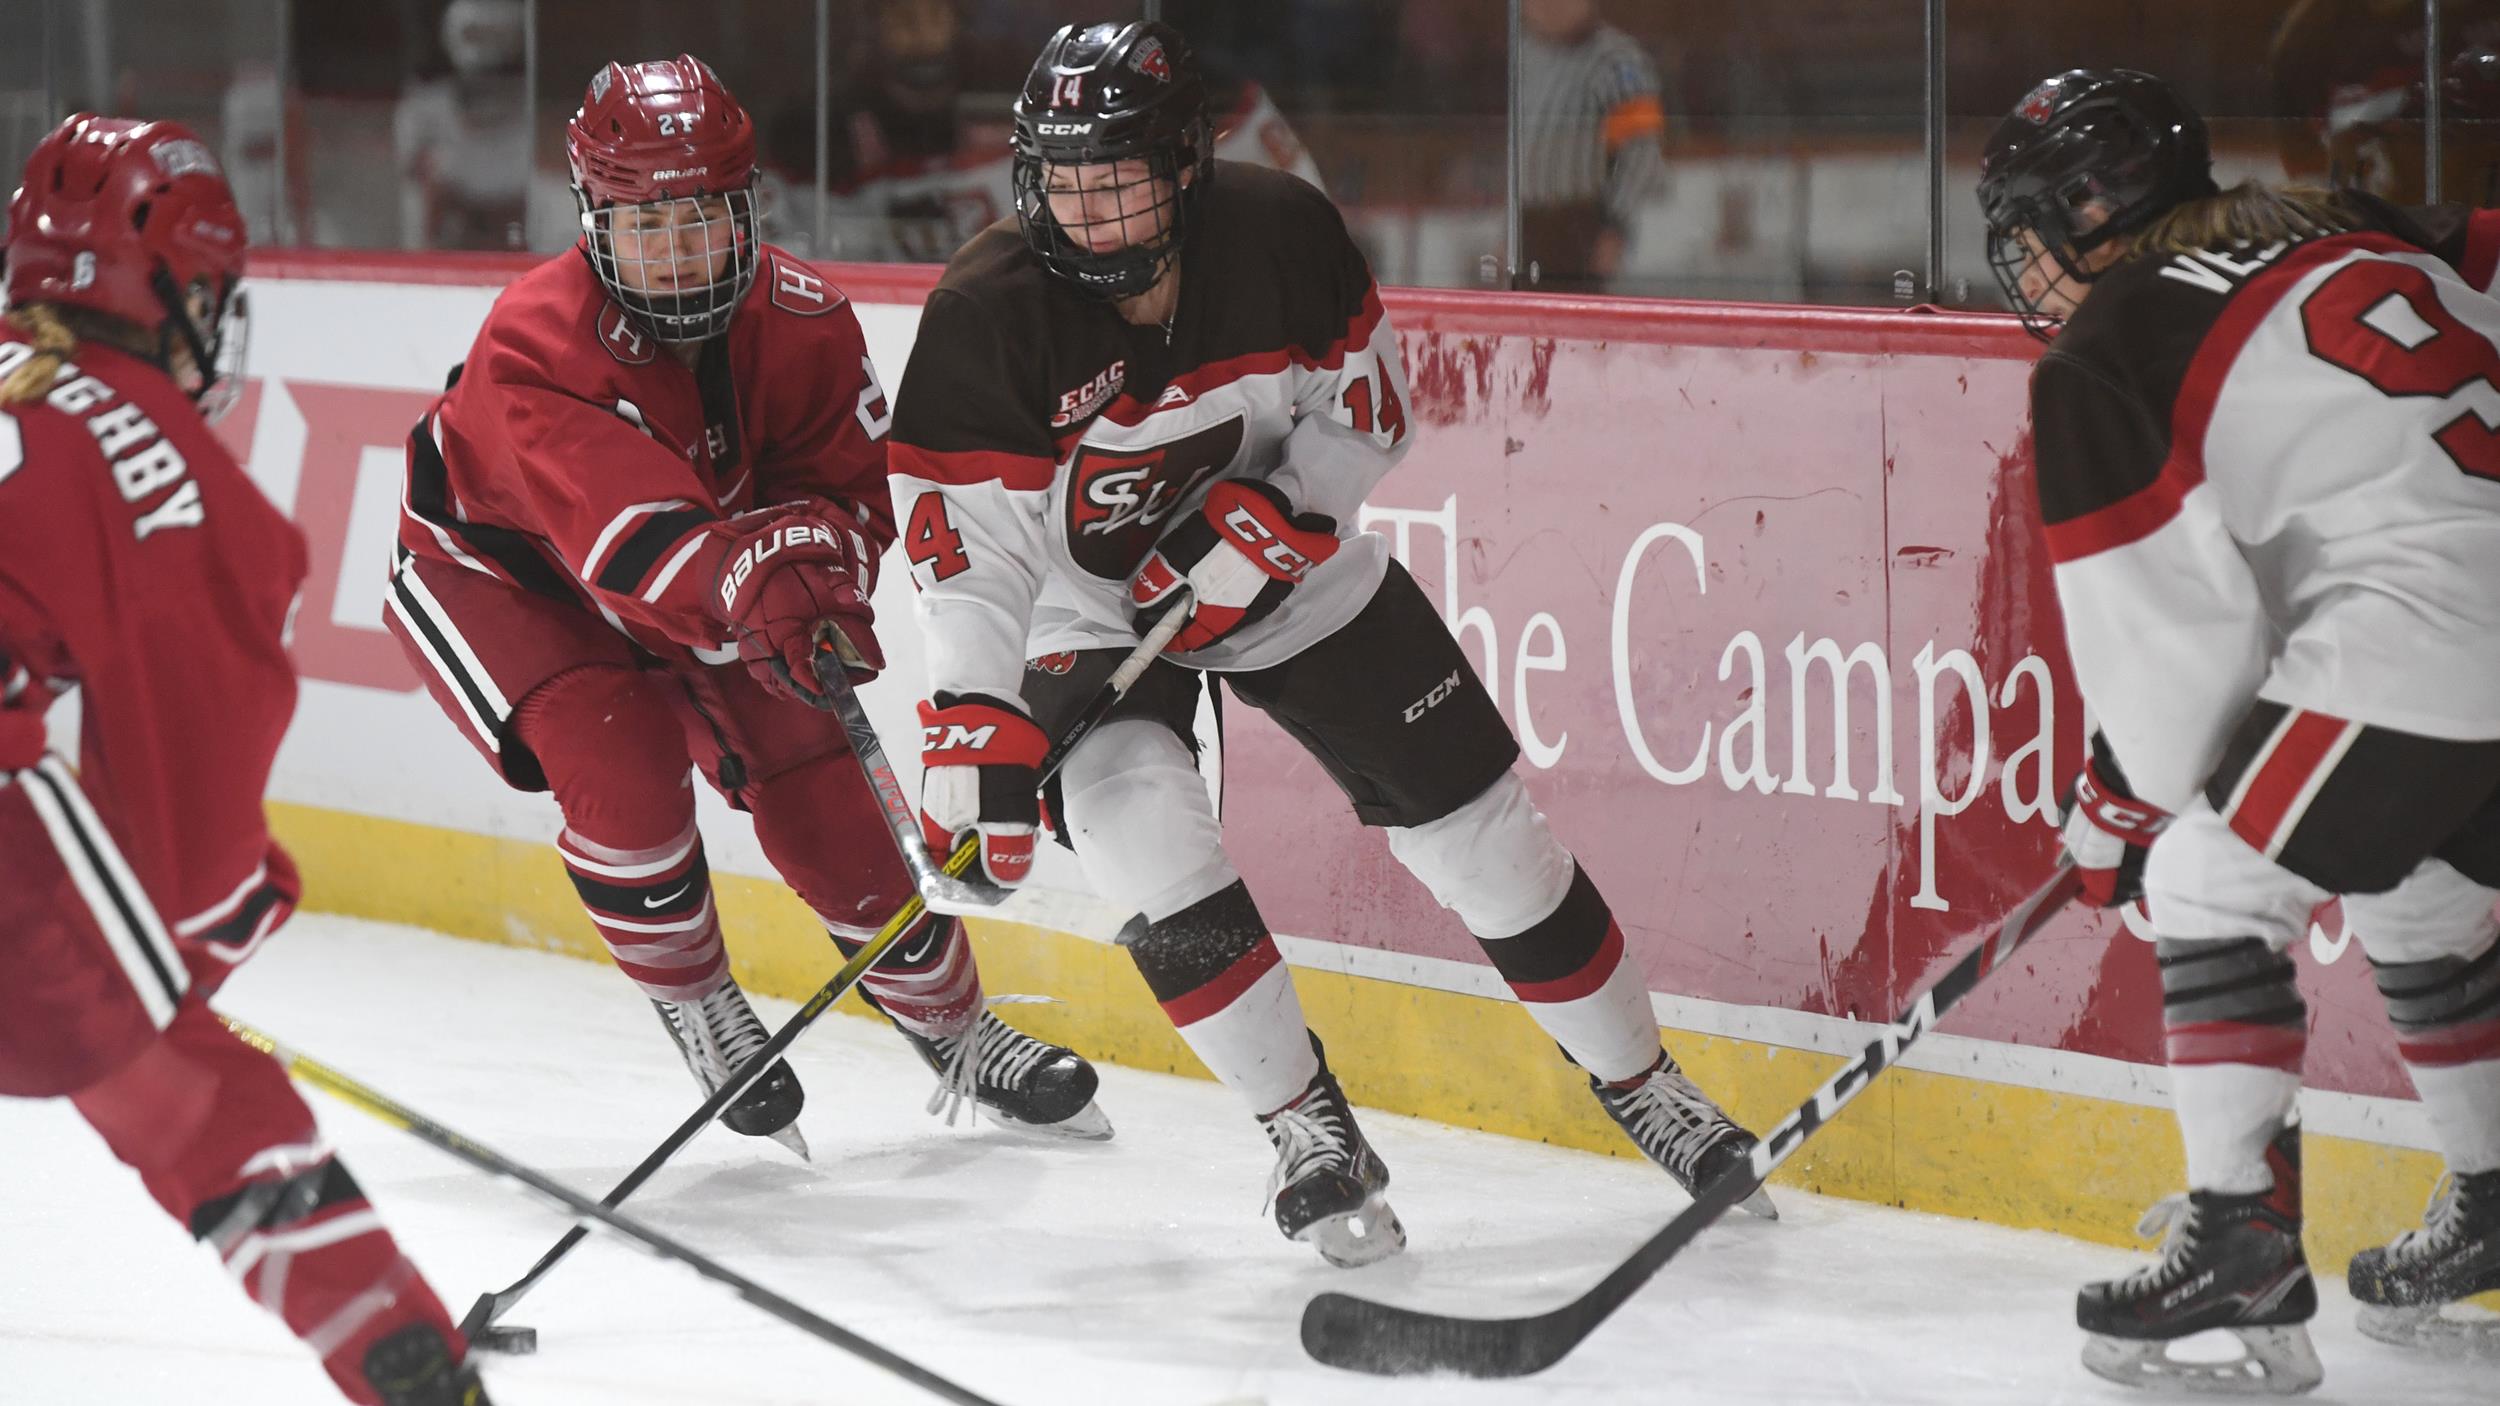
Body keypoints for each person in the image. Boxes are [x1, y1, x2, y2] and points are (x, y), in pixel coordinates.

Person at [887, 18, 1769, 1269]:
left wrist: (1291, 510)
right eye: (1062, 181)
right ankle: (1307, 1128)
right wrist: (973, 717)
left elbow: (1370, 407)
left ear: (1185, 165)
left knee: (1483, 838)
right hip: (1087, 609)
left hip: (1285, 567)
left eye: (1117, 178)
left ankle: (1644, 1083)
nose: (1084, 213)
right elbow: (967, 549)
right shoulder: (989, 311)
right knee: (1136, 828)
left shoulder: (1280, 235)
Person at [383, 54, 1110, 1159]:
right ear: (592, 219)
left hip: (713, 572)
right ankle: (701, 1001)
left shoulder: (806, 317)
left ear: (745, 209)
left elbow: (856, 491)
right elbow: (629, 539)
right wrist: (771, 569)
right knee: (624, 773)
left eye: (701, 219)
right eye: (644, 224)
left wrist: (824, 572)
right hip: (506, 581)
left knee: (829, 795)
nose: (677, 255)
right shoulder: (533, 338)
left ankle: (960, 1031)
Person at [1979, 69, 2500, 1393]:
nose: (2025, 268)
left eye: (2032, 230)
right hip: (2458, 609)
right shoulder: (2358, 222)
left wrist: (2116, 812)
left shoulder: (2111, 347)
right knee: (2417, 881)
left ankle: (2243, 1241)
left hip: (2436, 630)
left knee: (2214, 875)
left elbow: (2178, 666)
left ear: (2091, 216)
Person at [0, 114, 489, 1406]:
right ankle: (405, 1355)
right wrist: (199, 944)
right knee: (191, 1095)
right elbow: (189, 852)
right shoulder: (174, 480)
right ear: (170, 288)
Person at [815, 0, 1322, 265]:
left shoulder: (1022, 71)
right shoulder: (833, 129)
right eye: (905, 19)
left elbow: (1303, 216)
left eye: (933, 16)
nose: (922, 34)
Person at [1516, 0, 1674, 291]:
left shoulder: (1615, 60)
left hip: (1583, 227)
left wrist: (1616, 226)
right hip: (1529, 226)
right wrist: (1508, 230)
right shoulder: (1525, 55)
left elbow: (1641, 152)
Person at [393, 0, 533, 250]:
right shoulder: (422, 110)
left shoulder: (534, 110)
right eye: (475, 34)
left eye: (494, 35)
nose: (485, 47)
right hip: (444, 254)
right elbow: (423, 187)